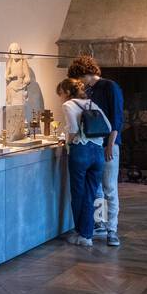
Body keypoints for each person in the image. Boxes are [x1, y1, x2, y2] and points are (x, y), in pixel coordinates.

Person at [67, 55, 124, 246]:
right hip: (94, 145)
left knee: (109, 187)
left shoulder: (110, 87)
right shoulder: (87, 91)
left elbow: (116, 119)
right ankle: (99, 224)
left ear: (84, 73)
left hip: (109, 144)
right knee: (96, 189)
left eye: (78, 79)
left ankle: (112, 230)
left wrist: (110, 144)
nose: (78, 83)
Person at [56, 77, 108, 247]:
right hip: (98, 152)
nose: (60, 97)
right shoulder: (92, 104)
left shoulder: (68, 105)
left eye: (60, 93)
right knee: (91, 193)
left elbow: (72, 129)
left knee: (78, 193)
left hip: (81, 152)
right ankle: (87, 233)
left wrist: (68, 142)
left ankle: (82, 234)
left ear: (66, 92)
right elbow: (107, 125)